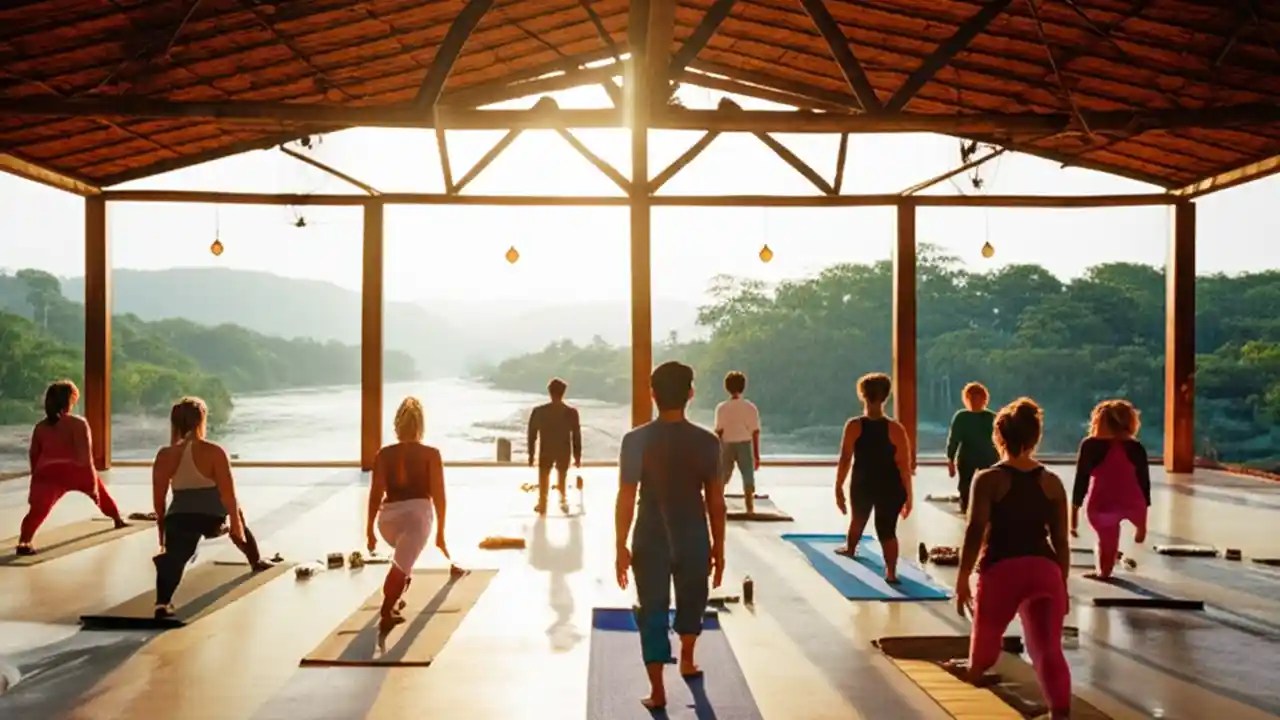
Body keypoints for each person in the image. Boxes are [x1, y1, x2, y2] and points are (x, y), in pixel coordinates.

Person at [615, 361, 726, 711]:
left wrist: (620, 544)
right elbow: (716, 501)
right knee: (693, 598)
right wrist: (719, 547)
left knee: (652, 609)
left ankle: (658, 690)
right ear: (691, 393)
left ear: (652, 394)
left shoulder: (635, 440)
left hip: (649, 535)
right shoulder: (707, 442)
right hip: (692, 532)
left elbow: (626, 496)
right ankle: (688, 659)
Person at [953, 398, 1071, 719]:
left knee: (986, 643)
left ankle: (970, 684)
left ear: (998, 437)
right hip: (1045, 569)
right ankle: (1061, 712)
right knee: (1048, 651)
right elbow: (1060, 541)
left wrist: (963, 577)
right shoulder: (1052, 482)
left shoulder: (988, 478)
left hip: (1002, 569)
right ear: (1035, 438)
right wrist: (1063, 583)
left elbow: (976, 530)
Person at [152, 397, 270, 619]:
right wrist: (235, 525)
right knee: (236, 514)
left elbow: (159, 502)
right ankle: (255, 561)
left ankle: (162, 603)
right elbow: (229, 496)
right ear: (201, 420)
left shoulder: (165, 455)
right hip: (213, 519)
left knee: (176, 557)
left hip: (178, 518)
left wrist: (162, 533)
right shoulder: (214, 451)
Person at [366, 397, 459, 646]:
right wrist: (441, 532)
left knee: (404, 558)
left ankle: (395, 598)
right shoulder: (431, 454)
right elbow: (439, 496)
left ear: (397, 426)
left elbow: (376, 495)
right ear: (421, 426)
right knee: (402, 565)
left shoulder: (384, 454)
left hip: (387, 520)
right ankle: (386, 610)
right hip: (417, 517)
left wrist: (369, 531)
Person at [16, 380, 126, 555]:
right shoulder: (78, 423)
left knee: (37, 510)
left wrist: (36, 480)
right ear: (70, 401)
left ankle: (24, 542)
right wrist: (91, 485)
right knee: (101, 494)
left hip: (48, 472)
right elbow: (85, 456)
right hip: (75, 469)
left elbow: (34, 456)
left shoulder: (41, 427)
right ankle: (117, 519)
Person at [833, 372, 914, 583]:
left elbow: (845, 460)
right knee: (887, 529)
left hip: (863, 482)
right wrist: (909, 496)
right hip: (891, 485)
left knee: (858, 518)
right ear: (886, 396)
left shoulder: (854, 425)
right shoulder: (896, 429)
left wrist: (838, 487)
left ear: (862, 395)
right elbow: (904, 466)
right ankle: (891, 573)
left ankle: (851, 549)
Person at [1071, 399, 1150, 579]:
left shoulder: (1090, 445)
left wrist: (1073, 516)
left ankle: (1104, 571)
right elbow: (1144, 483)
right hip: (1133, 503)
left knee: (1105, 538)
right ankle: (1138, 525)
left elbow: (1081, 480)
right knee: (1129, 513)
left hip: (1101, 503)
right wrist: (1143, 521)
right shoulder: (1136, 447)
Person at [527, 378, 582, 515]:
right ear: (563, 393)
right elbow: (576, 436)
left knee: (543, 476)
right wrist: (577, 456)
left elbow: (531, 435)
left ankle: (542, 503)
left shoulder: (539, 412)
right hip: (563, 450)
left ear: (549, 392)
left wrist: (531, 455)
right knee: (562, 475)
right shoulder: (571, 413)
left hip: (546, 450)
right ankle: (562, 499)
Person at [946, 382, 999, 514]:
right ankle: (966, 509)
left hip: (989, 457)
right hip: (967, 458)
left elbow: (1000, 439)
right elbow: (954, 440)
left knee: (989, 486)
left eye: (978, 397)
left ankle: (988, 510)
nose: (975, 401)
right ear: (966, 399)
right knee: (965, 486)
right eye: (971, 398)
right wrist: (950, 460)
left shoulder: (991, 418)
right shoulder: (961, 417)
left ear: (984, 399)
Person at [714, 370, 762, 513]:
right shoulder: (750, 407)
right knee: (747, 474)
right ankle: (749, 506)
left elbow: (719, 432)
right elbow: (755, 431)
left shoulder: (722, 408)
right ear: (743, 387)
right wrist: (756, 455)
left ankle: (717, 503)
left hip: (727, 443)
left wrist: (716, 453)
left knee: (722, 475)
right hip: (744, 442)